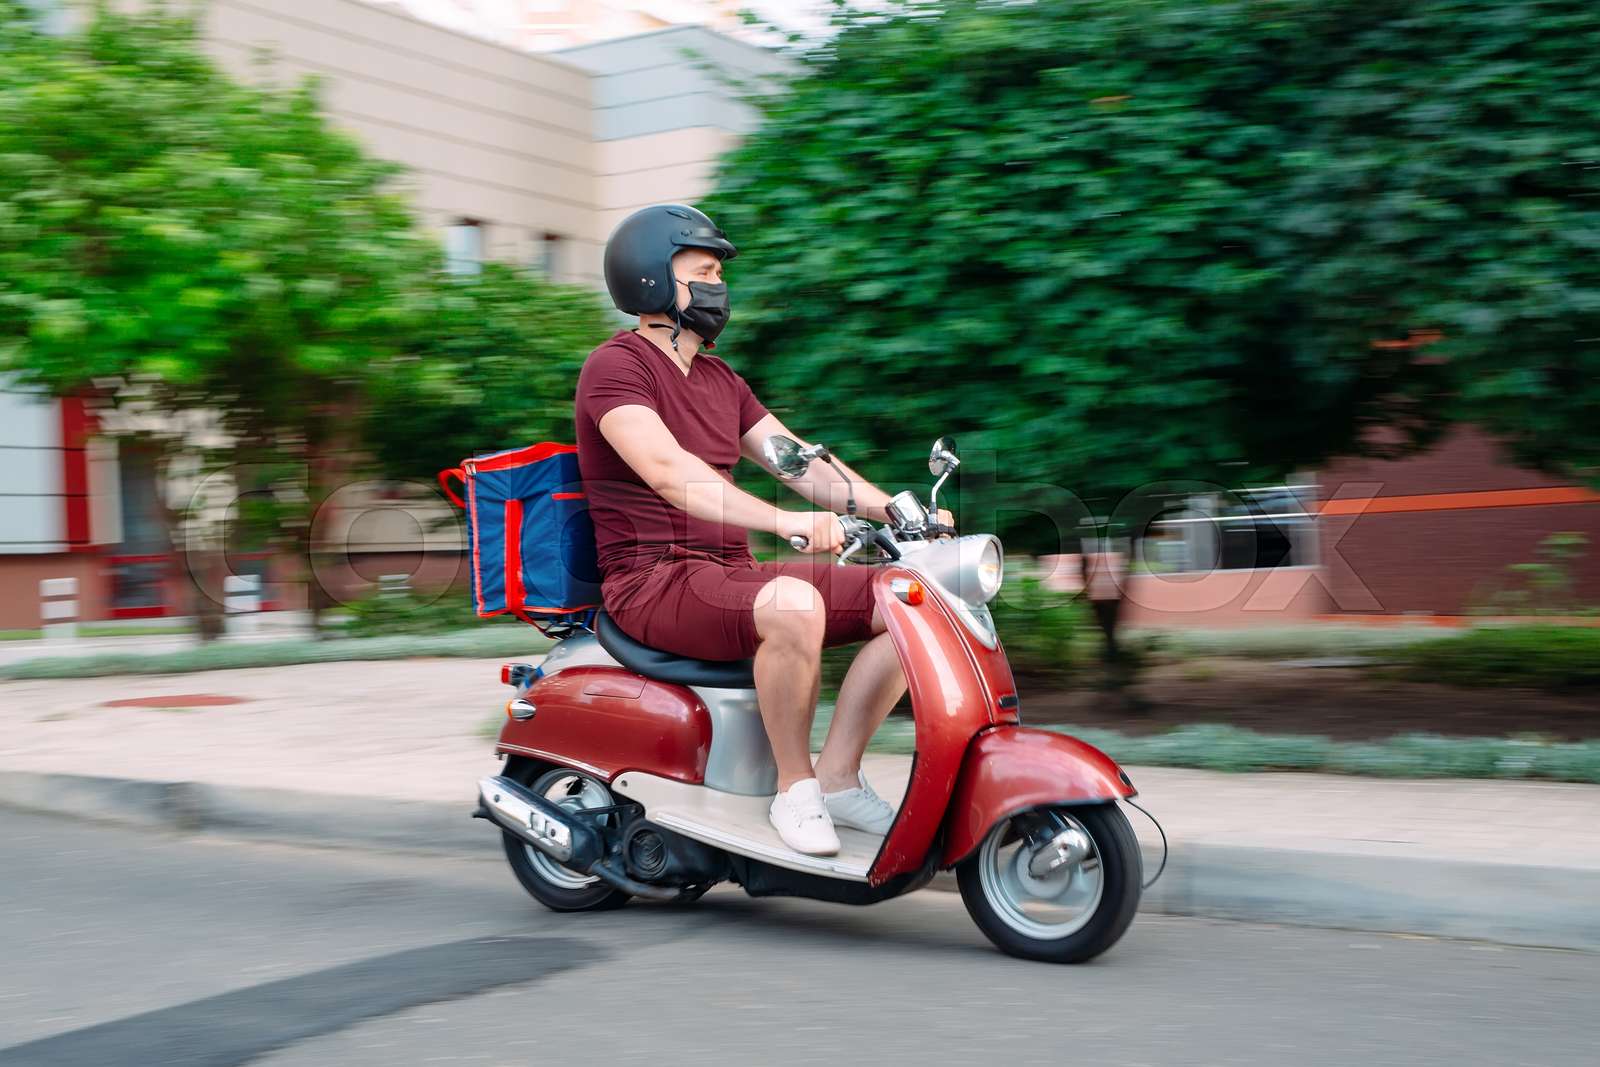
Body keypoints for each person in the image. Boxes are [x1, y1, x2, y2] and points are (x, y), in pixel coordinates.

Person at [574, 204, 914, 856]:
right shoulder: (616, 367)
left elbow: (798, 463)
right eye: (702, 272)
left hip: (729, 574)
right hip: (653, 579)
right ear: (650, 278)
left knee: (911, 598)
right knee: (794, 605)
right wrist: (784, 522)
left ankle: (839, 778)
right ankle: (795, 788)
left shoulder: (721, 379)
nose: (718, 287)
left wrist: (896, 512)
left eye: (719, 275)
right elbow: (669, 472)